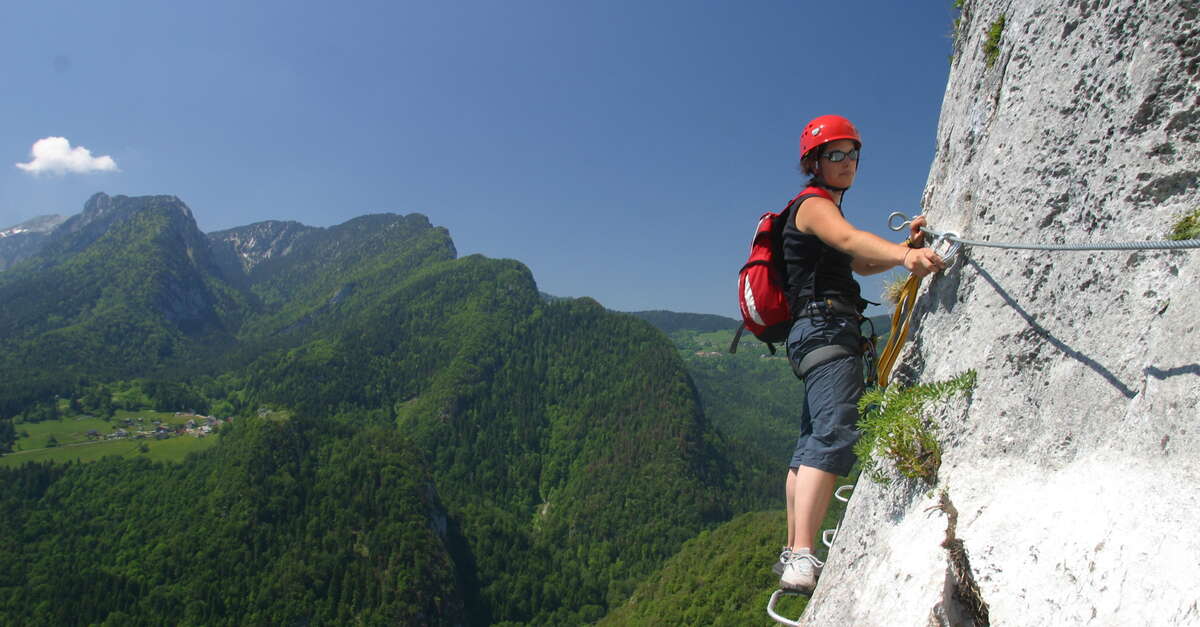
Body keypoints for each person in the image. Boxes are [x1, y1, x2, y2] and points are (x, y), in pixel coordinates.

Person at [776, 115, 945, 593]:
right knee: (832, 436)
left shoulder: (822, 214)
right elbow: (852, 242)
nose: (847, 162)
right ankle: (802, 556)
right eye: (835, 154)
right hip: (827, 328)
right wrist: (907, 258)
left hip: (812, 330)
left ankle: (795, 548)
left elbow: (860, 261)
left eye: (852, 153)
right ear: (814, 162)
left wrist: (902, 248)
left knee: (810, 444)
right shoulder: (814, 206)